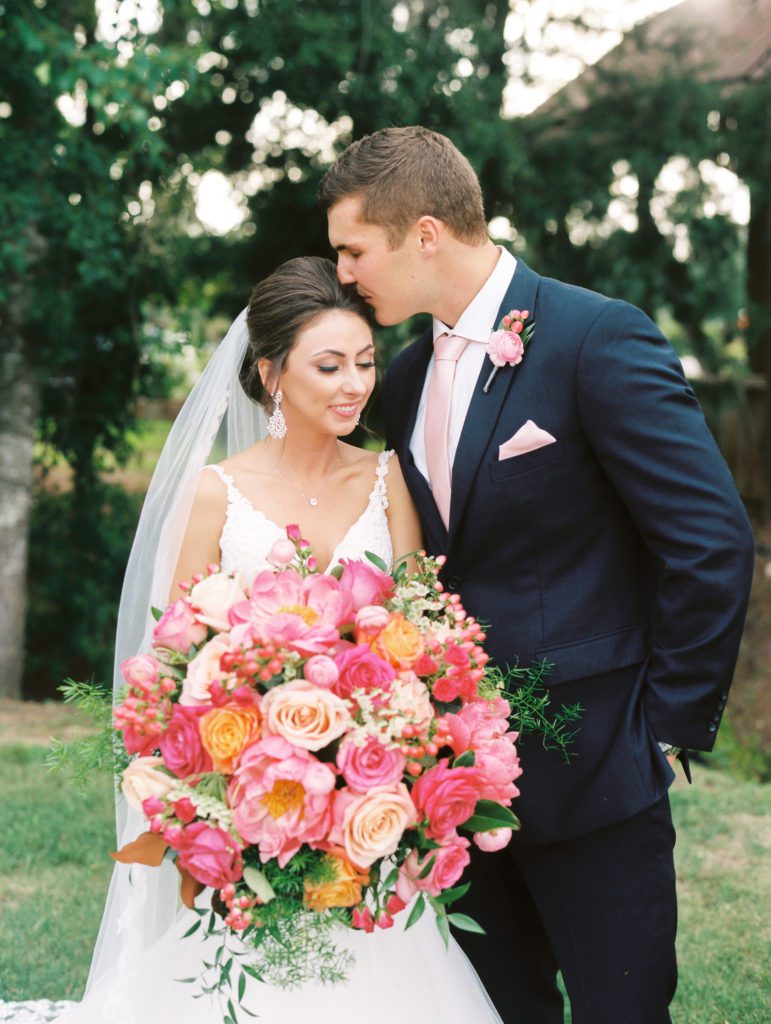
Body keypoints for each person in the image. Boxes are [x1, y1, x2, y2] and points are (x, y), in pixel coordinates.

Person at [320, 126, 755, 1024]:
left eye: (354, 250)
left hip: (598, 768)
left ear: (426, 232)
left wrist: (664, 730)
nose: (345, 274)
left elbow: (708, 541)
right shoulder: (401, 379)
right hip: (454, 784)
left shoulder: (597, 338)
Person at [55, 257, 502, 1024]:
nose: (354, 384)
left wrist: (392, 747)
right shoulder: (215, 493)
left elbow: (417, 629)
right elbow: (169, 663)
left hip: (369, 799)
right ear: (269, 374)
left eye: (364, 362)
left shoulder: (389, 477)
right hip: (254, 797)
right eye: (327, 365)